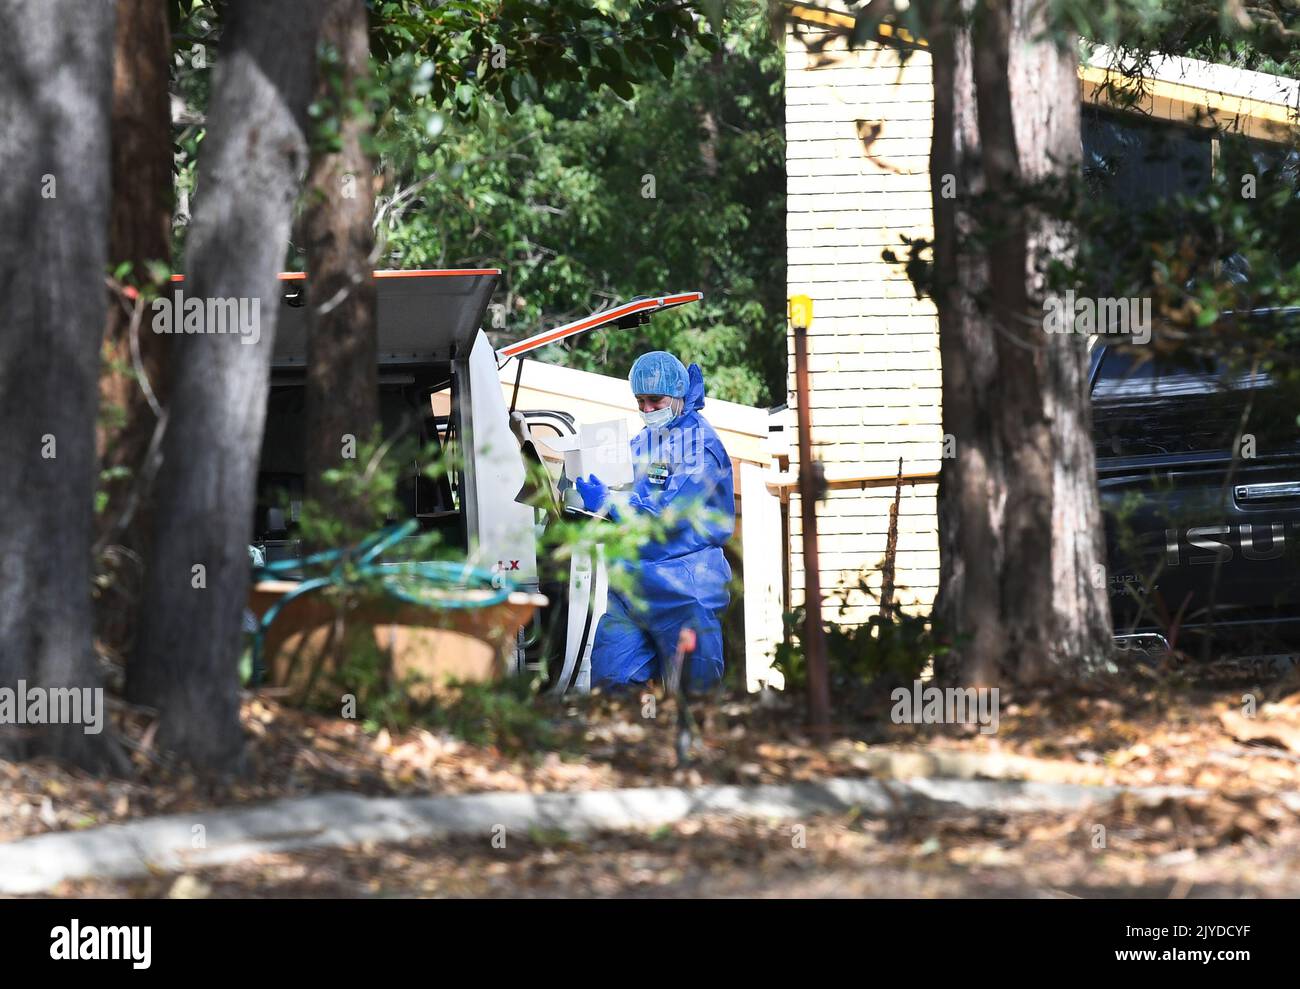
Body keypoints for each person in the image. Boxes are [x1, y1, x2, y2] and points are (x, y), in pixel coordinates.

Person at [574, 351, 735, 693]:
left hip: (684, 589)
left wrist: (610, 502)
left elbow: (669, 516)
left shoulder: (701, 448)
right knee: (612, 682)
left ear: (678, 394)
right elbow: (623, 493)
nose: (647, 410)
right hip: (633, 587)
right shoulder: (644, 440)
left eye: (654, 400)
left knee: (693, 697)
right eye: (640, 401)